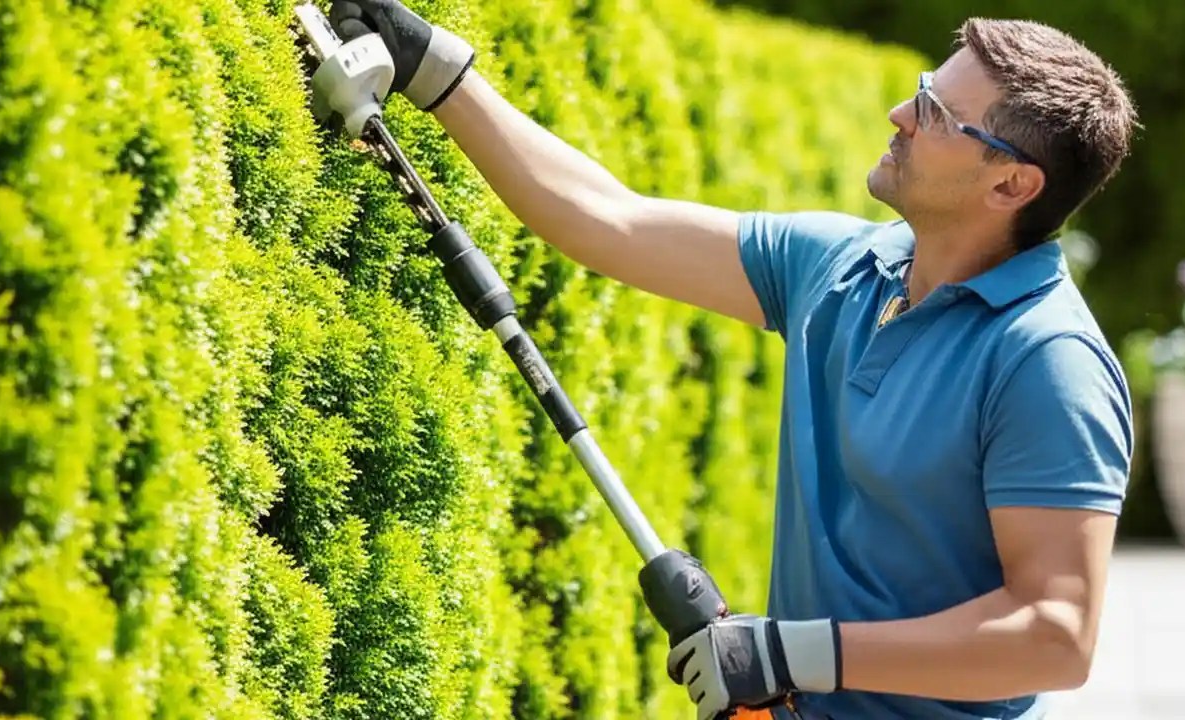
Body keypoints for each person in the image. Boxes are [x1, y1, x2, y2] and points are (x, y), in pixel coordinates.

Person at [326, 2, 1140, 718]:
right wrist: (438, 71)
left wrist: (796, 655)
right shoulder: (842, 267)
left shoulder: (1047, 361)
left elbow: (1054, 637)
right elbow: (611, 220)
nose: (899, 110)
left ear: (1011, 186)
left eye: (932, 110)